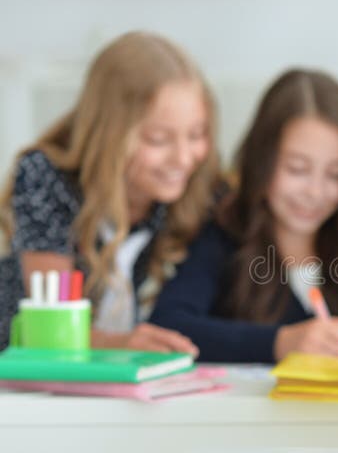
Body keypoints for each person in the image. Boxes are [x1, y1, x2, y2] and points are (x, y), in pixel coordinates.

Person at [0, 31, 222, 354]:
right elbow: (51, 326)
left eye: (197, 134)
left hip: (111, 378)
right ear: (111, 134)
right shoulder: (45, 177)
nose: (184, 158)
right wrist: (121, 344)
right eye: (158, 139)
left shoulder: (190, 187)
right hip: (22, 373)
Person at [149, 69, 338, 362]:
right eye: (297, 169)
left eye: (337, 174)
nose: (315, 192)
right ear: (262, 160)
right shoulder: (224, 233)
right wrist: (277, 343)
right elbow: (168, 325)